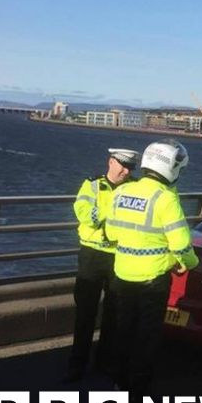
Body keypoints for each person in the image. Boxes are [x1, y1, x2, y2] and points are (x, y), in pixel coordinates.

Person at [103, 140, 198, 399]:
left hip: (122, 274)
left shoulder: (122, 192)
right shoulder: (165, 198)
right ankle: (138, 391)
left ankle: (117, 383)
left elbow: (110, 233)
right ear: (171, 168)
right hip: (152, 279)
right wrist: (190, 263)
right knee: (146, 336)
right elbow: (181, 244)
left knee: (123, 330)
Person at [64, 147, 139, 383]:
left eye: (130, 168)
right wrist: (115, 206)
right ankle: (77, 364)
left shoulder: (135, 188)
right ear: (110, 162)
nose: (126, 171)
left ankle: (104, 363)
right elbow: (86, 215)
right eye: (122, 165)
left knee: (114, 314)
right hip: (92, 255)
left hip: (120, 255)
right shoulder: (92, 185)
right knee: (85, 313)